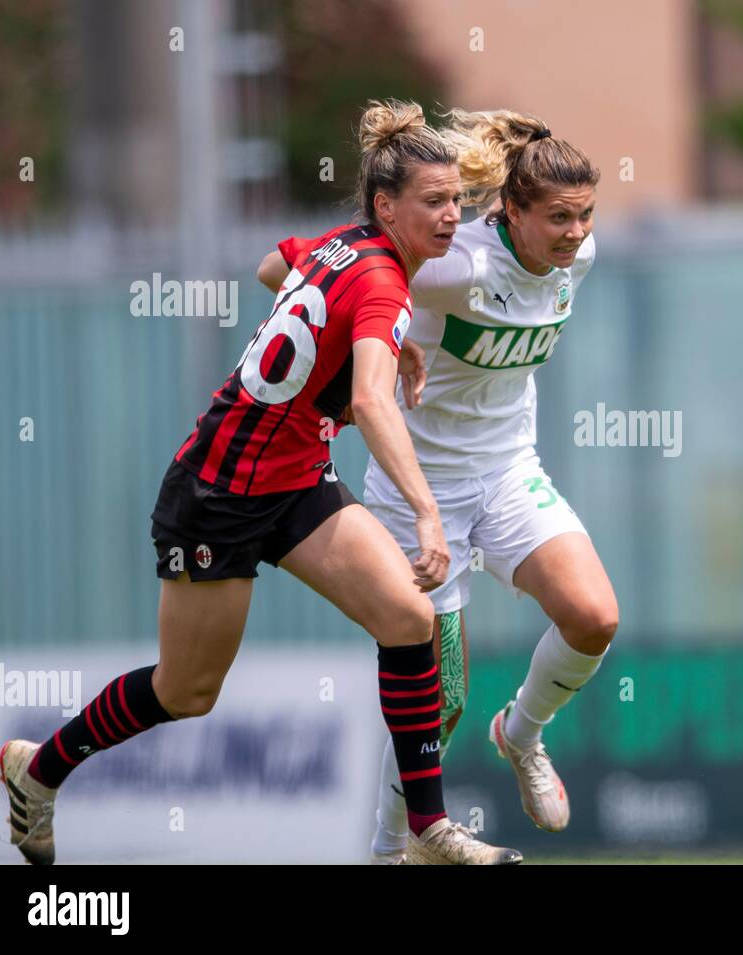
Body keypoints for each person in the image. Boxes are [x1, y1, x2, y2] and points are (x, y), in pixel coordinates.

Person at [0, 99, 520, 866]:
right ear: (385, 206)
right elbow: (371, 401)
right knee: (186, 690)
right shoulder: (383, 282)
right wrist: (427, 514)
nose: (450, 217)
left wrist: (367, 345)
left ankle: (427, 829)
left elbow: (276, 266)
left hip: (295, 477)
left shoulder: (346, 246)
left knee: (408, 619)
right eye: (433, 202)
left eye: (456, 202)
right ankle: (37, 770)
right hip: (219, 493)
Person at [258, 107, 615, 864]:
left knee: (593, 616)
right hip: (418, 491)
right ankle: (389, 849)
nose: (575, 233)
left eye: (585, 216)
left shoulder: (576, 261)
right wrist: (369, 350)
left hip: (511, 470)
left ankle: (520, 735)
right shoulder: (455, 266)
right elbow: (286, 267)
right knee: (439, 696)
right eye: (557, 218)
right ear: (507, 212)